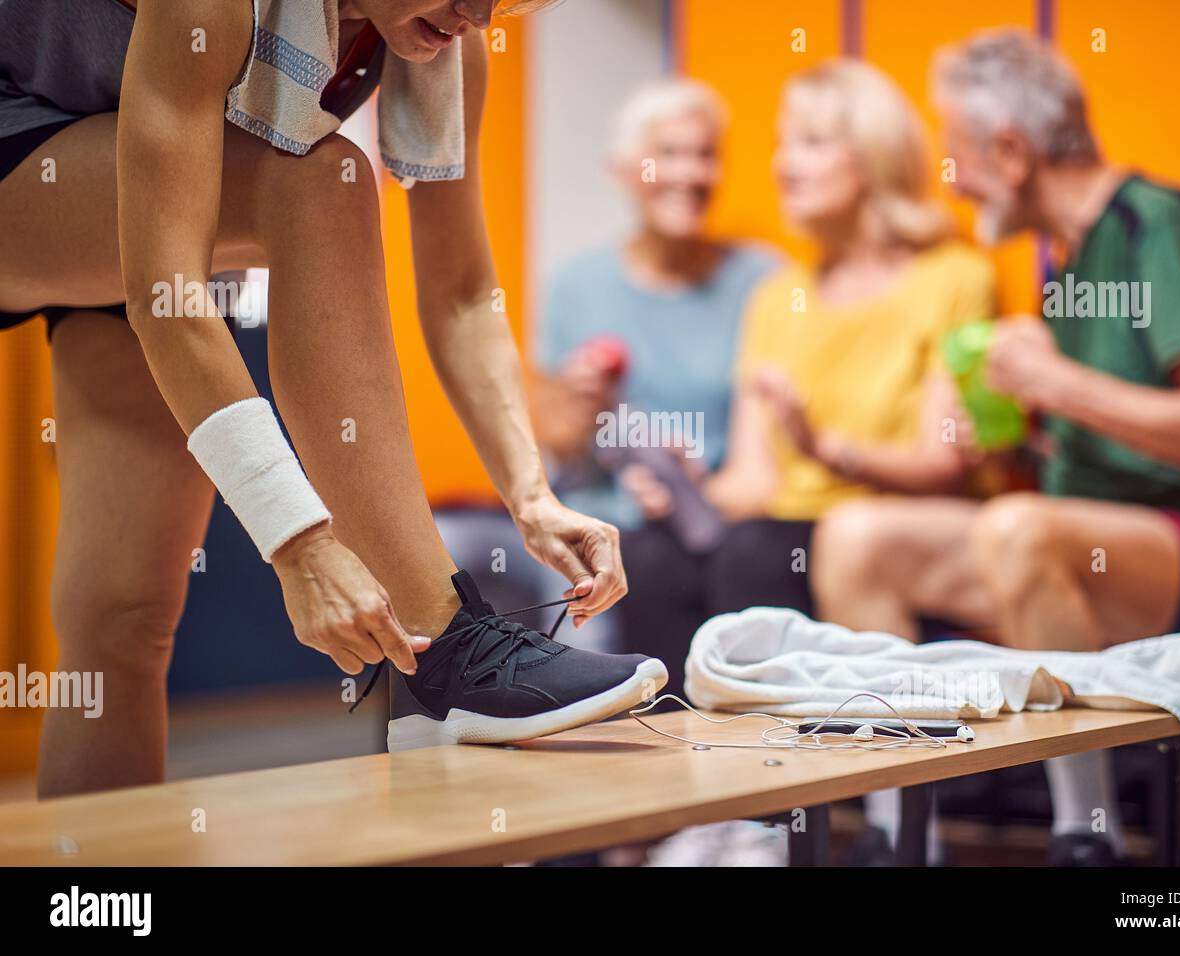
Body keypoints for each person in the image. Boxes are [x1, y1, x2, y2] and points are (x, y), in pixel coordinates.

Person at [0, 0, 665, 796]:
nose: (477, 11)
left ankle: (97, 911)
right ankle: (445, 656)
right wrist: (298, 542)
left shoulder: (449, 35)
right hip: (39, 154)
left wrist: (531, 496)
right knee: (322, 181)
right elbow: (164, 290)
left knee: (122, 626)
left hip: (146, 194)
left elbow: (460, 292)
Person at [812, 28, 1180, 864]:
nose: (952, 181)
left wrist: (1051, 383)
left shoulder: (1159, 228)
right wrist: (1001, 441)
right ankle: (900, 835)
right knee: (858, 537)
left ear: (1010, 150)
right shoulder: (1065, 267)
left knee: (1020, 529)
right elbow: (1093, 450)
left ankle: (1084, 834)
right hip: (1092, 552)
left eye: (956, 153)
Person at [622, 59, 994, 691]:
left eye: (811, 143)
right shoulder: (776, 296)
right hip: (779, 527)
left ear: (874, 156)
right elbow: (754, 480)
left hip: (885, 523)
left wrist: (827, 450)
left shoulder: (955, 278)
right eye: (781, 145)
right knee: (649, 554)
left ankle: (777, 773)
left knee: (753, 552)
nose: (782, 164)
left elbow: (946, 464)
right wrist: (688, 491)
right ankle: (675, 762)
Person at [435, 77, 776, 658]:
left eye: (704, 155)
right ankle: (670, 730)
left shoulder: (761, 277)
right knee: (648, 562)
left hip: (723, 504)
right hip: (619, 512)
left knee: (750, 555)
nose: (689, 173)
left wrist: (703, 488)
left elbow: (768, 441)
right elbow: (559, 447)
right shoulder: (576, 286)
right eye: (667, 153)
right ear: (624, 170)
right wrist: (581, 400)